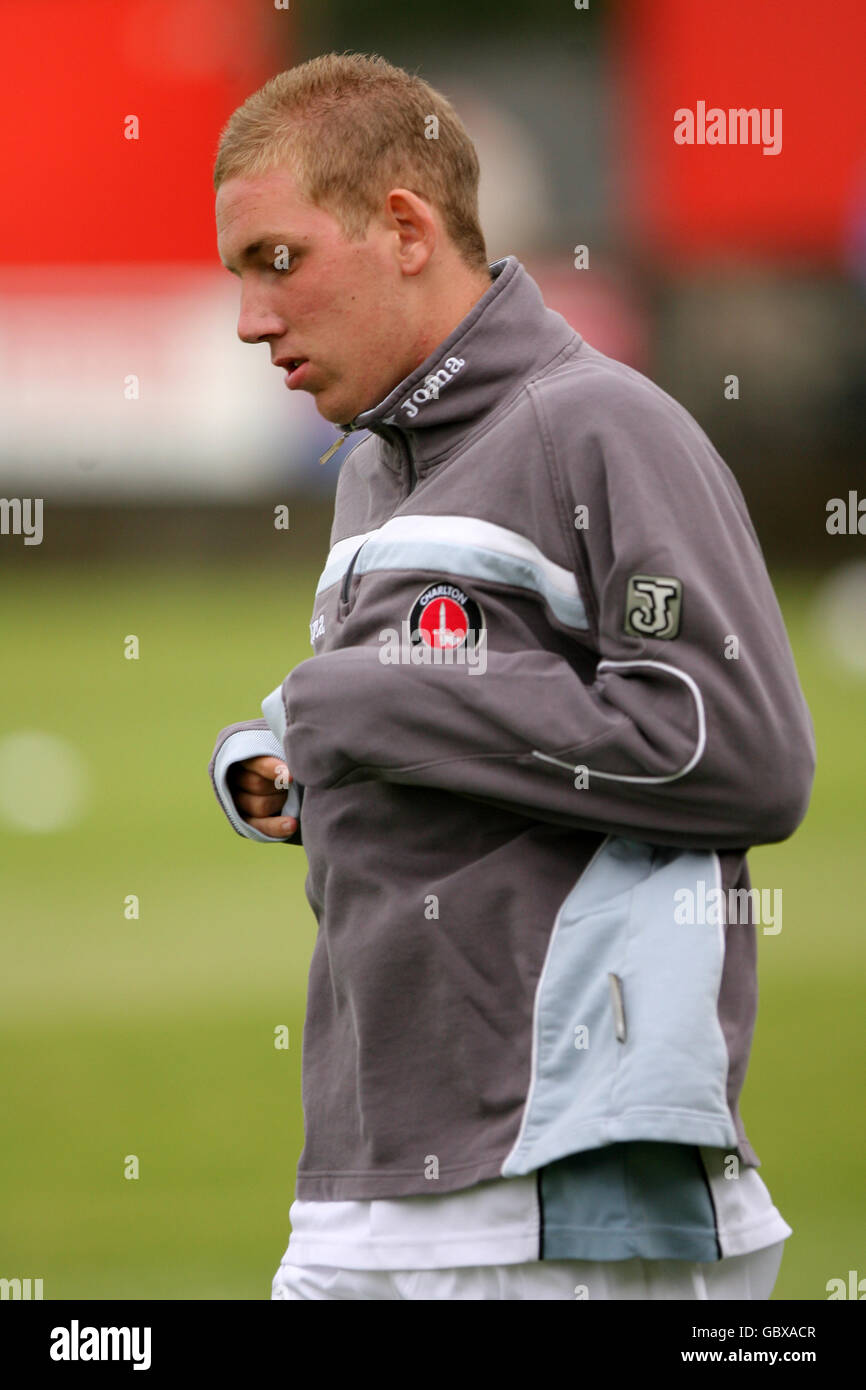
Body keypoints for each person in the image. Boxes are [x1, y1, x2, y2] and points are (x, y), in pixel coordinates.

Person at [208, 53, 815, 1301]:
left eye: (278, 262)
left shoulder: (601, 422)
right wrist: (287, 756)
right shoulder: (375, 465)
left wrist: (373, 710)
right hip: (367, 1178)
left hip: (557, 1190)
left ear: (404, 229)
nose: (251, 319)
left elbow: (742, 750)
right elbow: (439, 723)